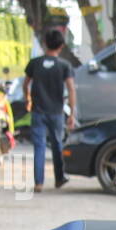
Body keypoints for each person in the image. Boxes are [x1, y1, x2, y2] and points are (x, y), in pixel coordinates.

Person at [23, 27, 77, 193]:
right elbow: (71, 89)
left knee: (39, 146)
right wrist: (72, 113)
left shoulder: (35, 63)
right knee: (57, 145)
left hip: (38, 111)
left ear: (45, 44)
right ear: (61, 46)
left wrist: (28, 99)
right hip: (56, 112)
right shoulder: (64, 66)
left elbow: (26, 84)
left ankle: (38, 182)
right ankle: (59, 178)